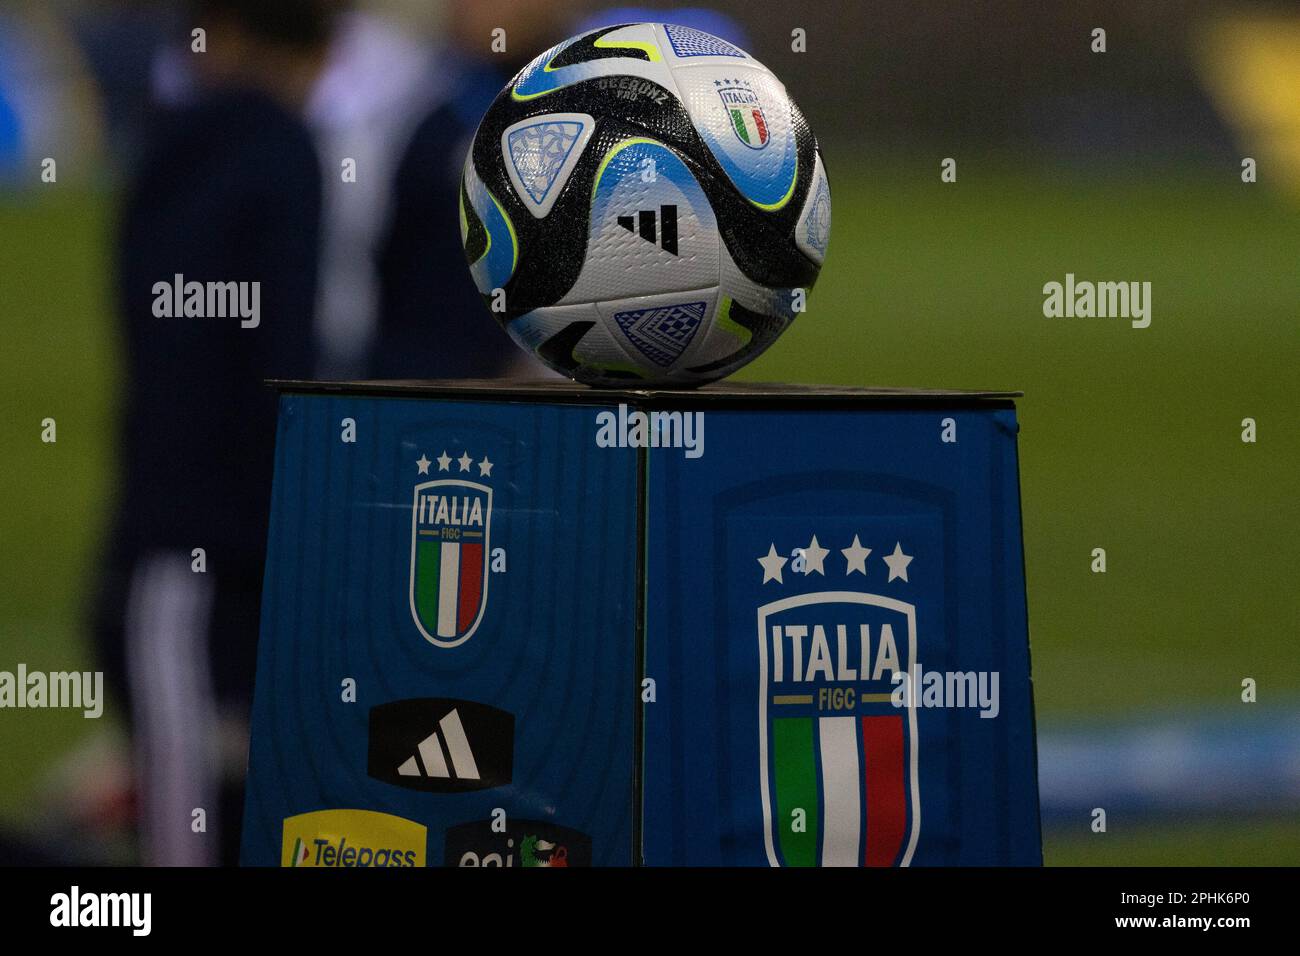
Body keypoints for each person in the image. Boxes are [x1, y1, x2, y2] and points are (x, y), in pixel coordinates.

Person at [92, 0, 337, 866]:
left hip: (178, 549)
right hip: (225, 554)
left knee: (193, 816)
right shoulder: (278, 150)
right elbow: (280, 356)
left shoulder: (178, 149)